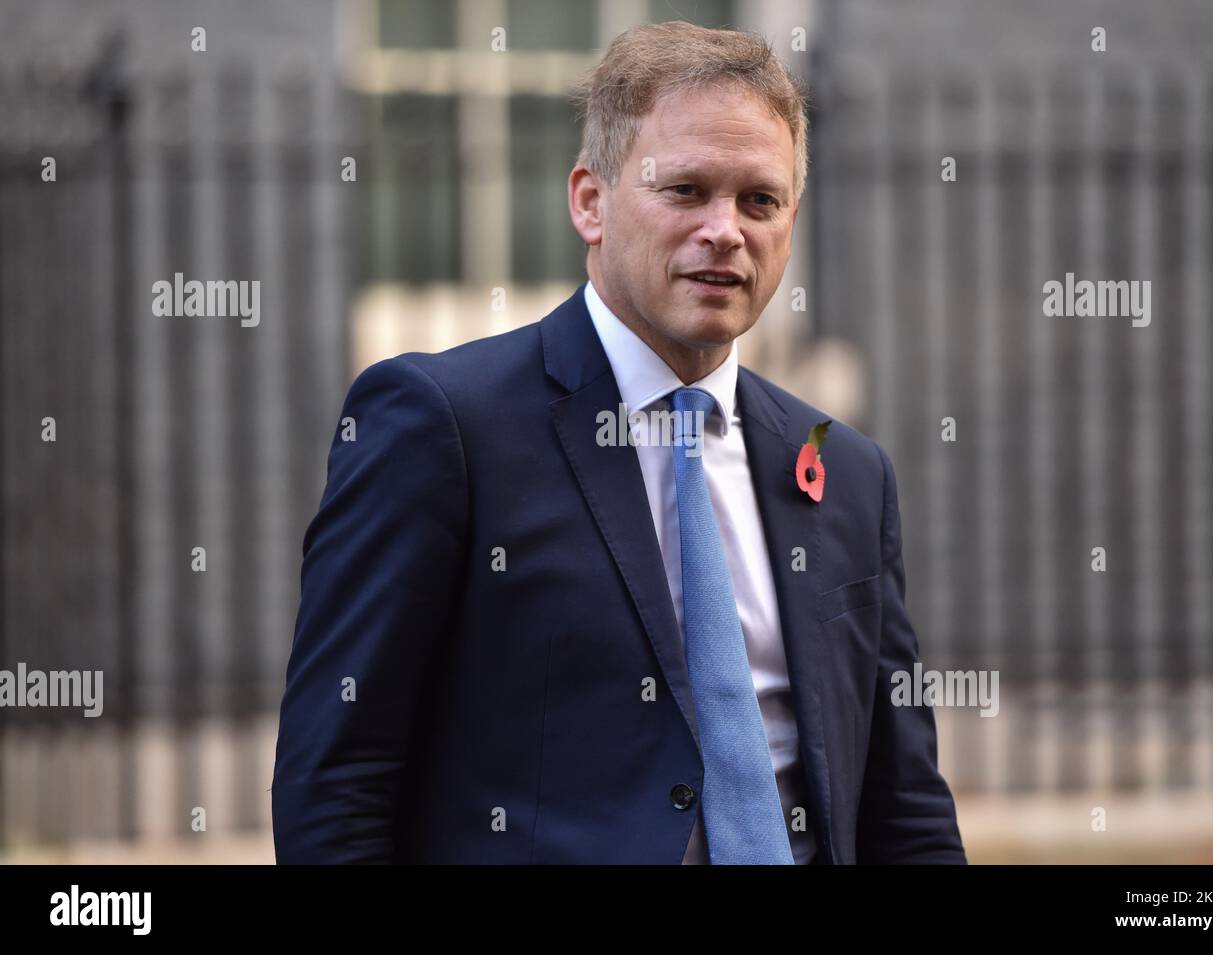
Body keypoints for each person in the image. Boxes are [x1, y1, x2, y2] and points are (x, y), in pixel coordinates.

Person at [272, 20, 965, 865]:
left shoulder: (848, 472)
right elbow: (336, 783)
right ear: (589, 202)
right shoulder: (439, 426)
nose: (726, 230)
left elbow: (906, 805)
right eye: (685, 191)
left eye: (760, 200)